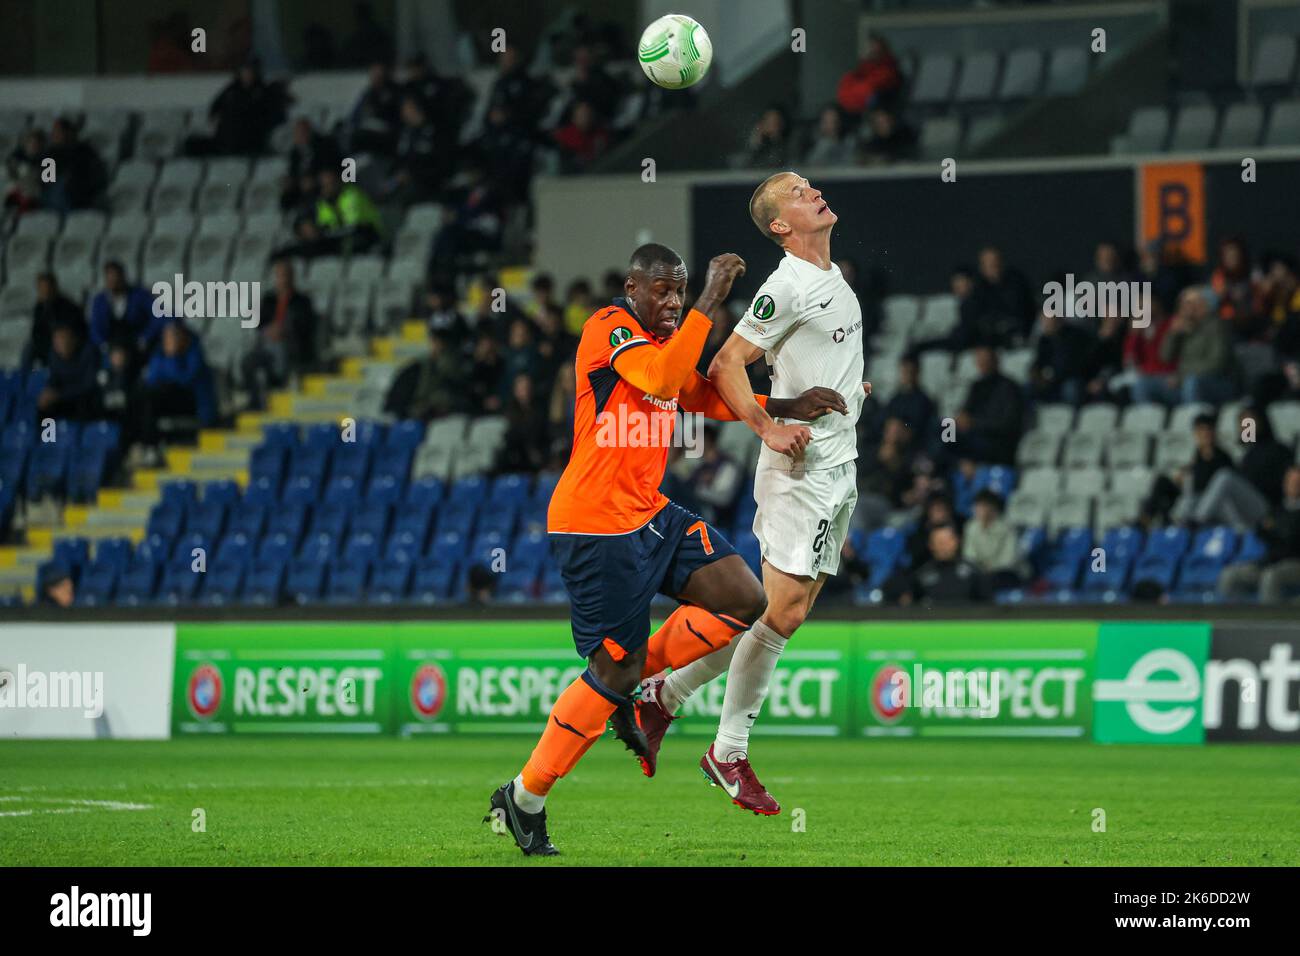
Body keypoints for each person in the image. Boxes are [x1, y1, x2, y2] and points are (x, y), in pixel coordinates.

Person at [486, 243, 842, 855]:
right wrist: (710, 299)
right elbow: (662, 379)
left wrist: (785, 406)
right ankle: (524, 798)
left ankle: (641, 692)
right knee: (611, 669)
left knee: (743, 599)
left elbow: (698, 395)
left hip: (647, 512)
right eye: (663, 290)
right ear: (633, 287)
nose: (674, 301)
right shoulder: (608, 328)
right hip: (595, 525)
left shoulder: (662, 347)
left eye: (680, 291)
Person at [635, 172, 869, 815]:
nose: (813, 192)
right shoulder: (788, 283)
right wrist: (768, 426)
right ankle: (727, 750)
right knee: (780, 614)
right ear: (779, 228)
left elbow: (814, 359)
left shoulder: (833, 277)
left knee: (777, 614)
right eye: (797, 193)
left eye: (809, 184)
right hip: (803, 466)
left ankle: (664, 698)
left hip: (838, 462)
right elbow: (723, 364)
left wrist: (852, 390)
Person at [130, 320, 217, 463]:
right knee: (141, 394)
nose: (168, 341)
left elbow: (183, 380)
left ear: (182, 336)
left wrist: (172, 357)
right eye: (166, 337)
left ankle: (149, 445)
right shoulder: (159, 352)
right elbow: (152, 378)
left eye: (173, 337)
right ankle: (144, 444)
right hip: (166, 401)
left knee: (154, 395)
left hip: (194, 404)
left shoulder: (194, 352)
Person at [241, 258, 318, 409]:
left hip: (292, 346)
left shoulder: (302, 301)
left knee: (280, 349)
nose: (283, 279)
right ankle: (255, 401)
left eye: (286, 275)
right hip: (267, 346)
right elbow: (258, 322)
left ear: (292, 277)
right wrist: (269, 330)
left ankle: (276, 385)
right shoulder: (268, 300)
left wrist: (285, 330)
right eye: (280, 275)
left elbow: (306, 326)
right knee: (248, 361)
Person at [1219, 465, 1300, 603]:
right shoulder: (1278, 510)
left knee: (1270, 576)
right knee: (1230, 575)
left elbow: (1290, 542)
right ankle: (1234, 622)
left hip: (1294, 563)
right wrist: (1268, 532)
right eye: (1289, 481)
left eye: (1296, 482)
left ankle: (1270, 622)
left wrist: (1272, 532)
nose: (1291, 485)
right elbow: (1265, 531)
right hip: (1270, 562)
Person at [1159, 286, 1236, 405]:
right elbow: (1165, 357)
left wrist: (1182, 377)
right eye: (1183, 303)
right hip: (1185, 382)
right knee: (1143, 385)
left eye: (1190, 303)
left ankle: (1194, 420)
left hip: (1218, 382)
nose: (1184, 308)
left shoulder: (1217, 326)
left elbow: (1217, 364)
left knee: (1192, 383)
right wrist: (1173, 334)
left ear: (1205, 305)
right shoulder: (1184, 327)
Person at [954, 346, 1024, 466]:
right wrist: (960, 419)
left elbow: (1007, 424)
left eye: (986, 360)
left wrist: (974, 423)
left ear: (995, 361)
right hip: (972, 437)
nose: (982, 364)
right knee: (944, 430)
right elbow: (965, 412)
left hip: (996, 442)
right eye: (980, 361)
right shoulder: (977, 386)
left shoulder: (1009, 387)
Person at [88, 261, 161, 376]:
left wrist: (146, 337)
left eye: (116, 277)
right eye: (110, 278)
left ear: (123, 277)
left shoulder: (140, 295)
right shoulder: (100, 300)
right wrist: (103, 344)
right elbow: (95, 327)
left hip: (135, 340)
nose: (113, 282)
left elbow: (157, 316)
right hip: (111, 342)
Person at [382, 329, 463, 421]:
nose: (440, 347)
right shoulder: (415, 370)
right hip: (412, 418)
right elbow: (395, 402)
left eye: (444, 344)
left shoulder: (457, 371)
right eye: (436, 342)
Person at [38, 319, 102, 422]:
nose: (60, 343)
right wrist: (49, 391)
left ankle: (79, 436)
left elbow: (89, 385)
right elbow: (54, 378)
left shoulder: (89, 351)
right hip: (64, 399)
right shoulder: (53, 355)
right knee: (44, 405)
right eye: (56, 339)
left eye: (63, 338)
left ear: (74, 339)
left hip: (84, 399)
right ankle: (48, 437)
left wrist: (60, 395)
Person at [25, 273, 88, 372]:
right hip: (47, 344)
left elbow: (75, 330)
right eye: (41, 288)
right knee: (28, 349)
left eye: (47, 288)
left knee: (58, 346)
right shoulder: (39, 308)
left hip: (66, 343)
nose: (44, 291)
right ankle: (24, 385)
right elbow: (36, 332)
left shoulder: (67, 306)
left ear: (54, 287)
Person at [962, 489, 1021, 591]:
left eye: (980, 506)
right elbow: (969, 555)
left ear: (992, 508)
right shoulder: (971, 527)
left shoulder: (1007, 527)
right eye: (976, 506)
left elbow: (1009, 559)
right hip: (980, 573)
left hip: (1006, 573)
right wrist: (980, 569)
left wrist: (990, 569)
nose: (976, 509)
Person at [836, 33, 902, 120]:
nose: (871, 51)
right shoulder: (860, 71)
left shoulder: (888, 71)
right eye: (869, 47)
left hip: (870, 116)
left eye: (875, 48)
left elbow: (868, 89)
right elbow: (843, 93)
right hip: (849, 113)